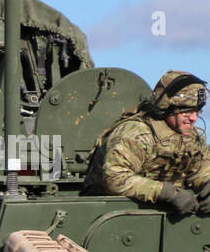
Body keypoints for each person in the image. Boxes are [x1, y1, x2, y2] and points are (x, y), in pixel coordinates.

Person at [85, 70, 210, 214]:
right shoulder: (136, 133)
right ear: (166, 107)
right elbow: (115, 179)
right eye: (186, 111)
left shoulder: (191, 136)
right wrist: (167, 193)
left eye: (197, 111)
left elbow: (201, 169)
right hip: (112, 213)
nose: (193, 118)